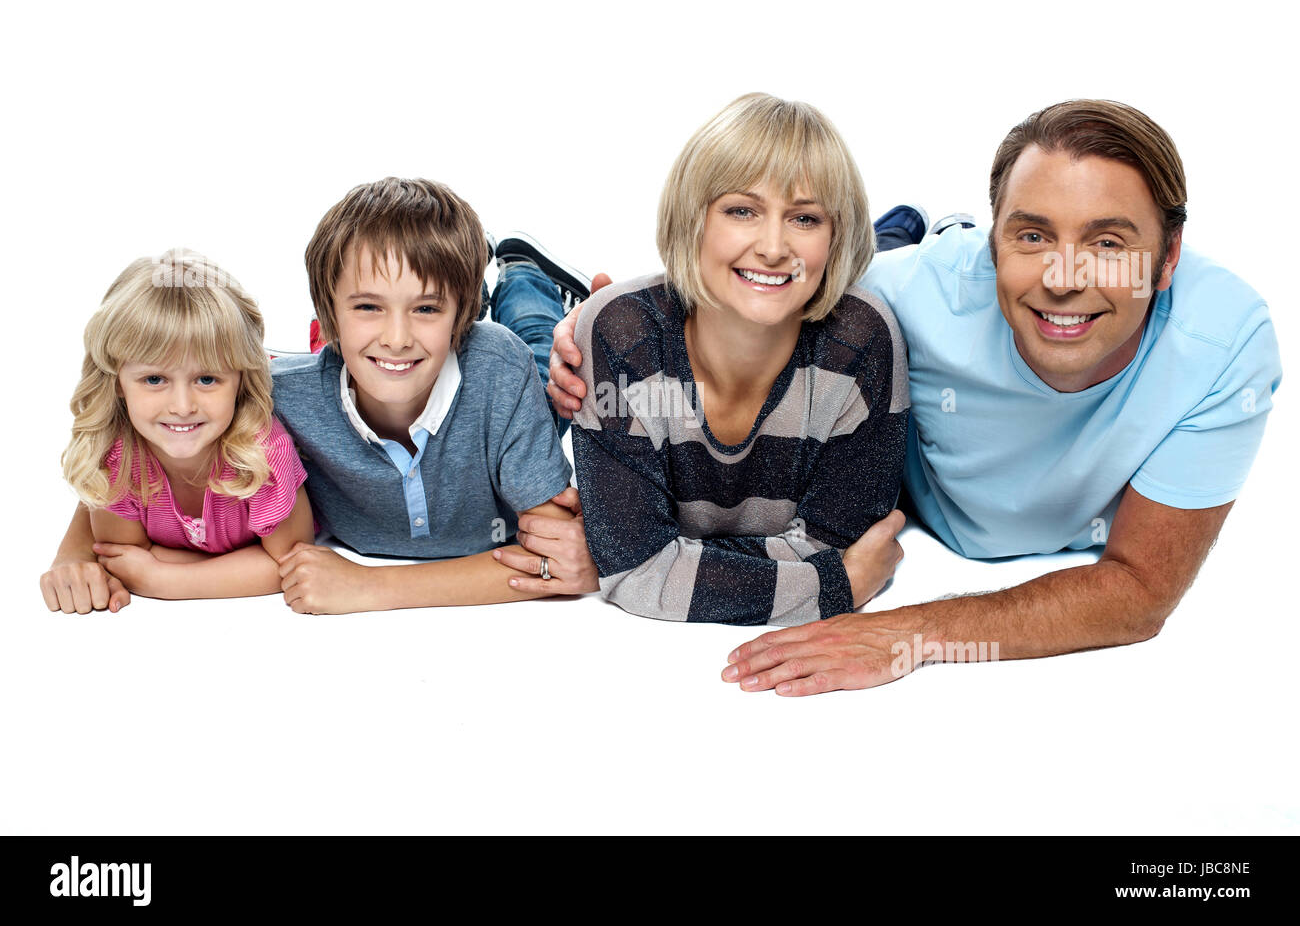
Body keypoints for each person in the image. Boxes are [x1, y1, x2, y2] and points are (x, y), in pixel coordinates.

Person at [547, 99, 1283, 691]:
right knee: (876, 258)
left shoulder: (1224, 344)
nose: (1063, 277)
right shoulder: (900, 306)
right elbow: (751, 286)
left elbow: (1140, 590)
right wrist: (587, 325)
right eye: (1030, 236)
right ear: (993, 242)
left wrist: (911, 633)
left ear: (1170, 259)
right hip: (911, 275)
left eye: (1109, 244)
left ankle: (903, 226)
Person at [569, 93, 912, 626]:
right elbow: (634, 570)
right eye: (741, 210)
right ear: (694, 219)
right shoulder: (619, 333)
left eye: (804, 218)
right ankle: (524, 275)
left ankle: (908, 229)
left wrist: (674, 561)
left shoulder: (863, 341)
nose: (773, 247)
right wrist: (835, 587)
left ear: (835, 235)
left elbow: (835, 541)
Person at [269, 177, 599, 613]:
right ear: (327, 314)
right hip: (417, 364)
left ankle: (524, 272)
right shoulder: (281, 397)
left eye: (426, 307)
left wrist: (369, 587)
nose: (397, 338)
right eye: (368, 306)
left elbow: (554, 559)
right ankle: (471, 276)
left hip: (503, 382)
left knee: (540, 354)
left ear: (462, 316)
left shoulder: (498, 368)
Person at [45, 249, 314, 608]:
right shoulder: (117, 456)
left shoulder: (263, 451)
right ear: (117, 383)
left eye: (207, 378)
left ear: (240, 380)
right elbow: (123, 558)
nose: (183, 407)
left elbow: (294, 564)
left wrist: (165, 578)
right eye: (154, 379)